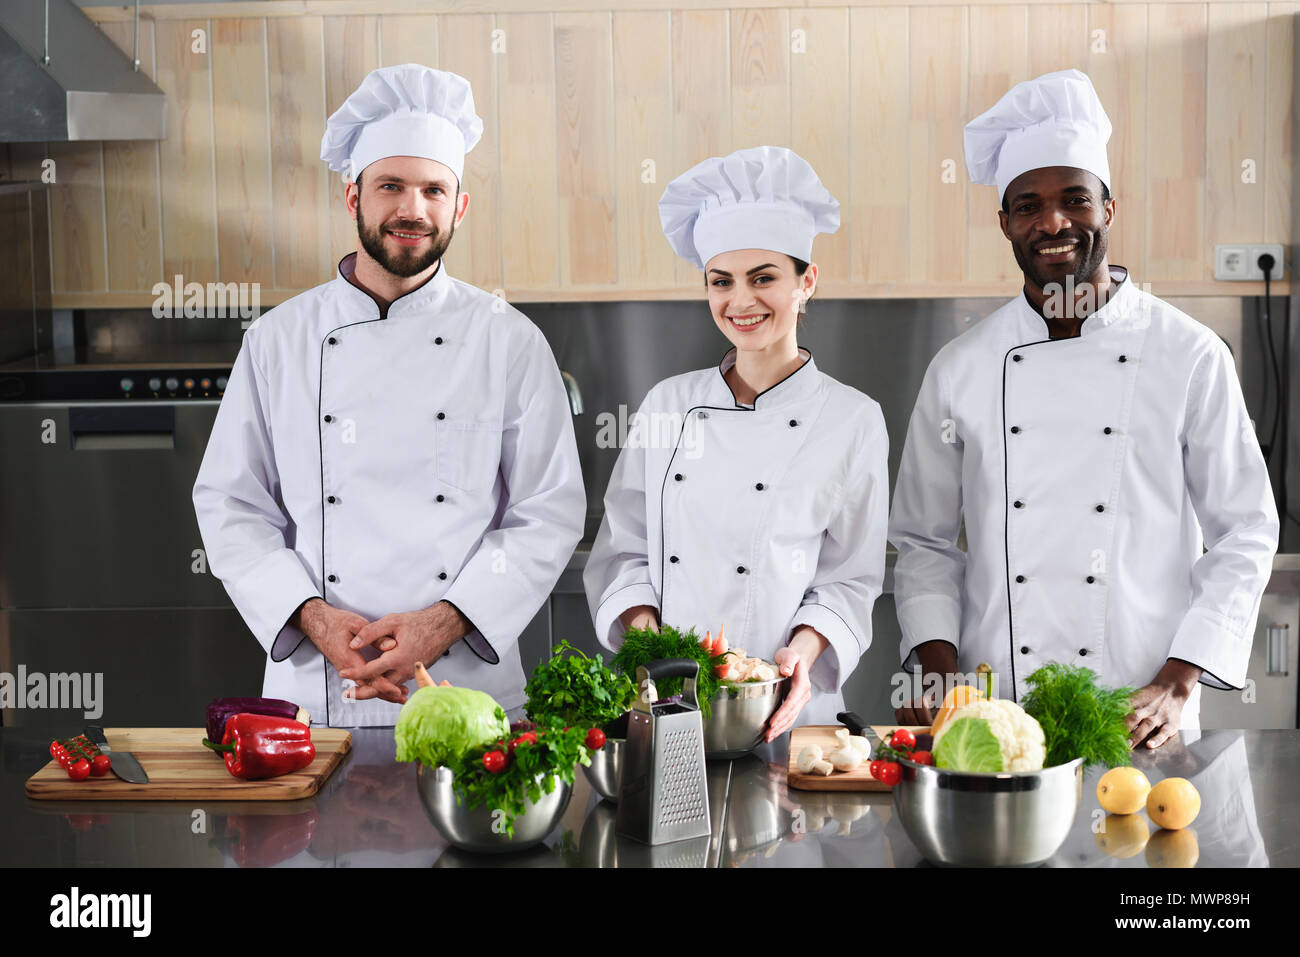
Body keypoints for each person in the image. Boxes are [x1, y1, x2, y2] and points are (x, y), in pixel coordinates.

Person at [889, 70, 1278, 746]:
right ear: (1004, 221)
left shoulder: (1188, 354)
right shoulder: (960, 367)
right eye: (1029, 205)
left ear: (1109, 210)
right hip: (998, 714)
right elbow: (922, 540)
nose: (1053, 222)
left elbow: (1245, 532)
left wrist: (1178, 681)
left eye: (1075, 199)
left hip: (1143, 713)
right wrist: (937, 667)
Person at [193, 64, 585, 727]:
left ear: (459, 206)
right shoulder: (277, 341)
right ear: (353, 198)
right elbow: (231, 504)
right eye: (391, 187)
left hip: (464, 689)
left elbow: (549, 511)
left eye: (434, 189)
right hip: (319, 694)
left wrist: (444, 622)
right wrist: (310, 617)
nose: (413, 209)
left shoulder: (509, 342)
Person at [584, 146, 889, 739]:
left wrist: (803, 652)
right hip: (668, 702)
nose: (741, 301)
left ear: (807, 282)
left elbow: (850, 578)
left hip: (785, 708)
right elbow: (624, 549)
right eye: (721, 282)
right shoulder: (666, 405)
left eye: (764, 278)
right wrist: (649, 640)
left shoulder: (853, 419)